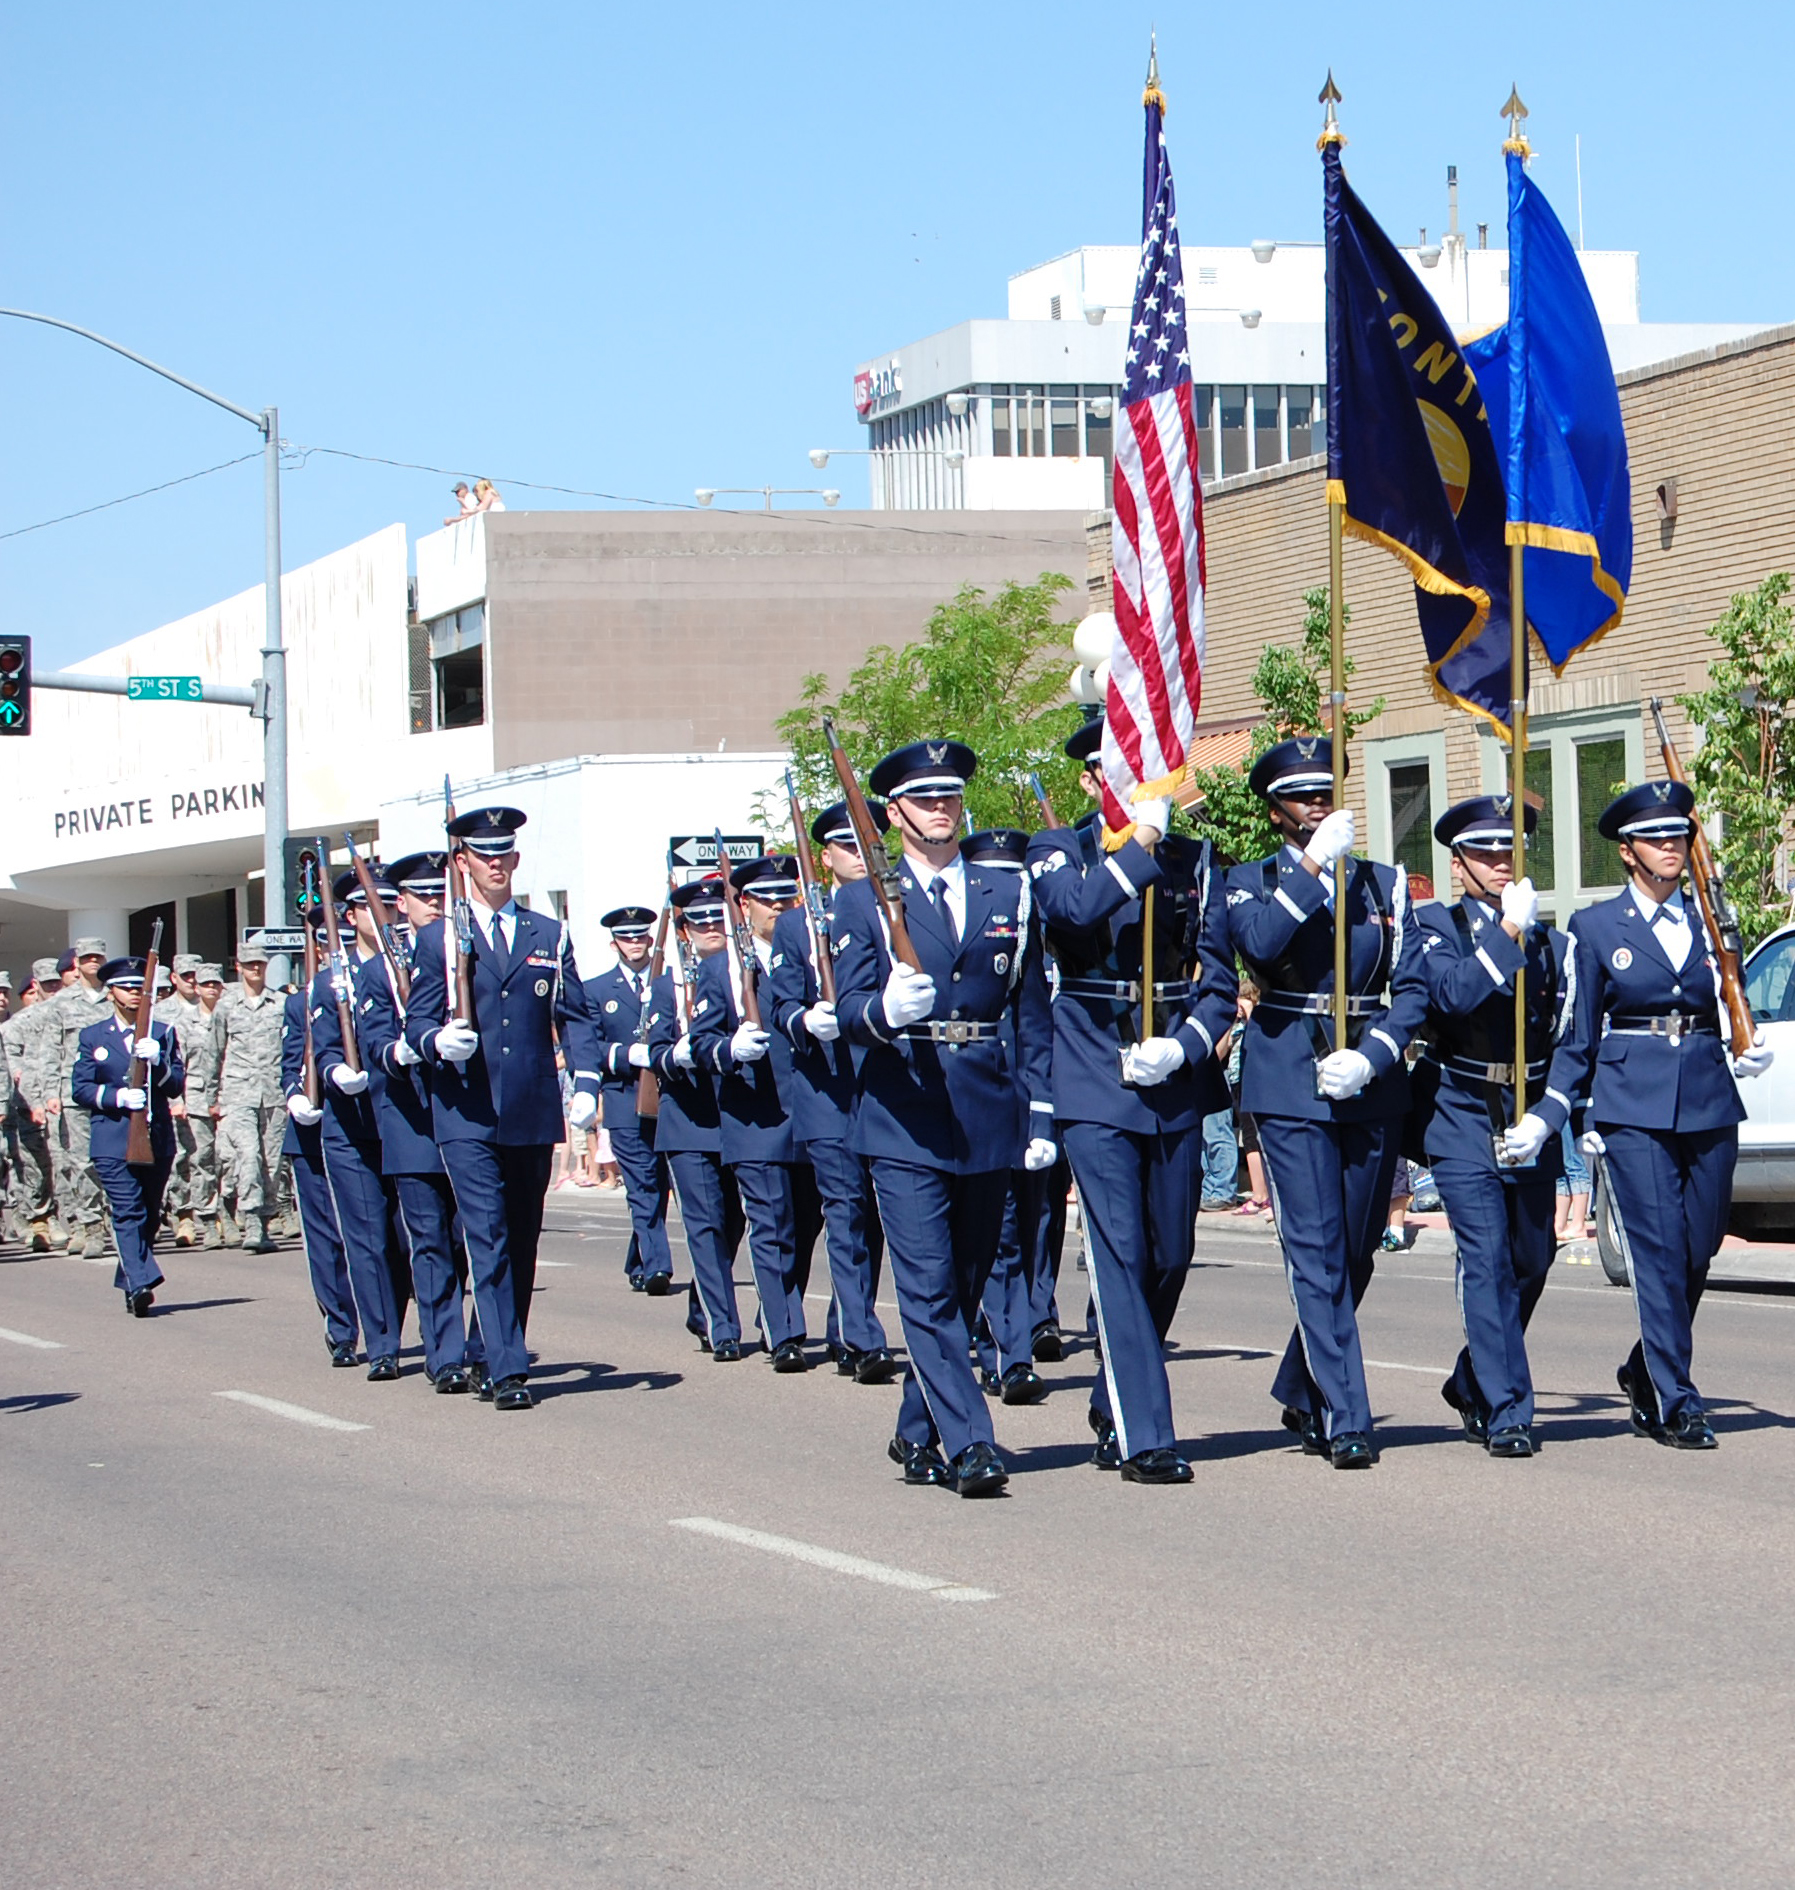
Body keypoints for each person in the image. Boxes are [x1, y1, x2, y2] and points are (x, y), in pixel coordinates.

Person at [835, 738, 1054, 1498]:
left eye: (950, 798)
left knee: (962, 1286)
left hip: (987, 1107)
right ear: (893, 813)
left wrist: (1040, 1113)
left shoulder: (1005, 893)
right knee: (926, 1286)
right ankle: (970, 1443)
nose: (941, 810)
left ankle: (914, 1430)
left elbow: (1028, 1013)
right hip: (904, 1112)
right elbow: (845, 1007)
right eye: (925, 800)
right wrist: (883, 1012)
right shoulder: (862, 900)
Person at [1529, 779, 1772, 1449]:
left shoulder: (1708, 920)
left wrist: (1741, 1045)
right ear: (1627, 851)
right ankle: (1674, 1398)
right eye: (1657, 838)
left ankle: (1643, 1368)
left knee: (1698, 1248)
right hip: (1630, 1104)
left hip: (1707, 1096)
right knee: (1659, 1252)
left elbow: (1730, 1000)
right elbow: (1577, 1033)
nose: (1672, 847)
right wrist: (1559, 1110)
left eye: (1680, 836)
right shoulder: (1595, 927)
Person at [1026, 719, 1238, 1483]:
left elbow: (1216, 977)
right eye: (1113, 775)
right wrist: (1138, 847)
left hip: (1172, 1074)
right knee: (1120, 1254)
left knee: (1170, 1254)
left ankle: (1112, 1392)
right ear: (1090, 782)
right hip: (1091, 1071)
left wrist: (1186, 1042)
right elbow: (1074, 915)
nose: (1129, 789)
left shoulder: (1198, 860)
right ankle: (1144, 1432)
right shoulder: (1057, 851)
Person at [1222, 736, 1429, 1469]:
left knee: (1355, 1248)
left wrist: (1374, 1053)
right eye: (1300, 797)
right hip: (1288, 1082)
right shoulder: (1248, 881)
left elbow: (1412, 985)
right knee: (1313, 1250)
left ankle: (1298, 1380)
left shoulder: (1380, 883)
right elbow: (1259, 945)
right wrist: (1311, 869)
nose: (1315, 805)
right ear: (1275, 811)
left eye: (1323, 793)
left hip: (1367, 1081)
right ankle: (1346, 1413)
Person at [404, 805, 603, 1410]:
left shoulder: (550, 933)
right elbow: (415, 1021)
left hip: (531, 1108)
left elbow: (576, 1016)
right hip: (465, 1112)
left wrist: (587, 1081)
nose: (496, 864)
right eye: (483, 855)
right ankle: (506, 1366)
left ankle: (489, 1344)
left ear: (515, 860)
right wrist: (436, 1040)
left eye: (504, 854)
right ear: (462, 863)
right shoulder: (440, 938)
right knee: (485, 1234)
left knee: (520, 1238)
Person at [1410, 796, 1571, 1458]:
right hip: (1460, 1106)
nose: (1500, 862)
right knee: (1485, 1259)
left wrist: (1549, 1116)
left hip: (1526, 1112)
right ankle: (1506, 1408)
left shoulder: (1549, 939)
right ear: (1458, 865)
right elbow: (1449, 995)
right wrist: (1502, 936)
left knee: (1532, 1256)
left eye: (1508, 851)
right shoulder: (1434, 927)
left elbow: (1567, 1036)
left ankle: (1473, 1373)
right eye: (1484, 853)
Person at [766, 800, 898, 1383]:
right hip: (826, 1088)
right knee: (845, 1210)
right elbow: (778, 1004)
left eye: (864, 841)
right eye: (844, 845)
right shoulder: (798, 924)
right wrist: (806, 1021)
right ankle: (864, 1337)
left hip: (883, 1081)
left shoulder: (897, 906)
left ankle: (846, 1320)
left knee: (872, 1217)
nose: (855, 853)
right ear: (824, 855)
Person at [690, 855, 822, 1370]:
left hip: (806, 1112)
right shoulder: (719, 968)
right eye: (768, 899)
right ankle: (784, 1329)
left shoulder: (809, 955)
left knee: (805, 1222)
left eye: (786, 897)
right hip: (752, 1114)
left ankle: (780, 1309)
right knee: (769, 1222)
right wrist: (729, 1049)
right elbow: (701, 1042)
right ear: (744, 904)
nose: (779, 906)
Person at [358, 852, 483, 1391]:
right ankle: (446, 1353)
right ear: (400, 904)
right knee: (429, 1238)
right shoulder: (375, 971)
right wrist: (405, 1051)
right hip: (412, 1120)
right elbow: (372, 1041)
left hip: (470, 1113)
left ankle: (483, 1342)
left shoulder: (470, 953)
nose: (434, 904)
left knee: (475, 1238)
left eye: (441, 894)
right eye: (423, 897)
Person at [297, 875, 414, 1381]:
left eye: (391, 904)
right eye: (371, 906)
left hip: (408, 1122)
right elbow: (320, 1046)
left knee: (411, 1240)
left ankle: (422, 1329)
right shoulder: (331, 981)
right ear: (350, 917)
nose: (384, 913)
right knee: (367, 1238)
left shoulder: (415, 970)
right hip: (352, 1126)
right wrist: (333, 1072)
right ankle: (383, 1342)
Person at [648, 878, 748, 1358]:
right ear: (684, 931)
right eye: (699, 922)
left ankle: (703, 1300)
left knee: (733, 1224)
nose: (711, 928)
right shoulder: (669, 983)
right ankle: (723, 1326)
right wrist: (681, 1056)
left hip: (737, 1117)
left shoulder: (740, 975)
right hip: (688, 1120)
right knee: (705, 1224)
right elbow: (654, 1051)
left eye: (718, 920)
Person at [71, 956, 185, 1316]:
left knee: (150, 1215)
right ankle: (140, 1282)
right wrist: (115, 1097)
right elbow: (80, 1088)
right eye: (127, 988)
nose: (135, 994)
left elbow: (176, 1086)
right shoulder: (94, 1036)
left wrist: (159, 1063)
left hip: (156, 1137)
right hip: (113, 1138)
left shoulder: (162, 1033)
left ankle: (130, 1276)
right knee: (127, 1210)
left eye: (140, 988)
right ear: (111, 994)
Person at [278, 917, 361, 1367]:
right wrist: (296, 1096)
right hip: (312, 1133)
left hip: (362, 1129)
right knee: (326, 1238)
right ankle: (342, 1328)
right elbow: (291, 1061)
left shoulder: (375, 990)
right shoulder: (301, 1003)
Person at [585, 904, 674, 1293]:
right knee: (642, 1184)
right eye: (626, 937)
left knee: (659, 1182)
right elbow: (587, 1048)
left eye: (640, 936)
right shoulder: (596, 990)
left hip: (665, 1100)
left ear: (651, 940)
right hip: (623, 1099)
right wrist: (624, 1055)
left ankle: (638, 1257)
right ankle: (658, 1266)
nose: (634, 942)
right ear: (614, 943)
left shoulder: (668, 984)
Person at [206, 942, 289, 1253]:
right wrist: (209, 1096)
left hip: (274, 1093)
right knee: (248, 1156)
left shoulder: (280, 1004)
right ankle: (251, 1219)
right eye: (250, 964)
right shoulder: (226, 1007)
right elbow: (213, 1052)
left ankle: (266, 1222)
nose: (256, 969)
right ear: (238, 967)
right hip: (238, 1093)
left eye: (261, 964)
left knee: (272, 1162)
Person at [36, 936, 113, 1259]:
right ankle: (90, 1224)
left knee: (112, 1160)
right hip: (75, 1093)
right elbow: (50, 1051)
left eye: (98, 957)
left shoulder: (116, 998)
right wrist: (49, 1092)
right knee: (81, 1163)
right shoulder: (61, 1003)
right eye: (88, 958)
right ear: (77, 964)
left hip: (112, 1091)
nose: (93, 962)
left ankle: (112, 1219)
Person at [2, 960, 62, 1249]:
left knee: (66, 1163)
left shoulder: (67, 1014)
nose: (54, 988)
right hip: (28, 1104)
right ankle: (37, 1216)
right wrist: (32, 1100)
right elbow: (12, 1067)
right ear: (35, 985)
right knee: (31, 1163)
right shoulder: (20, 1025)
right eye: (48, 983)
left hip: (64, 1102)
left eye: (57, 982)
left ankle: (68, 1218)